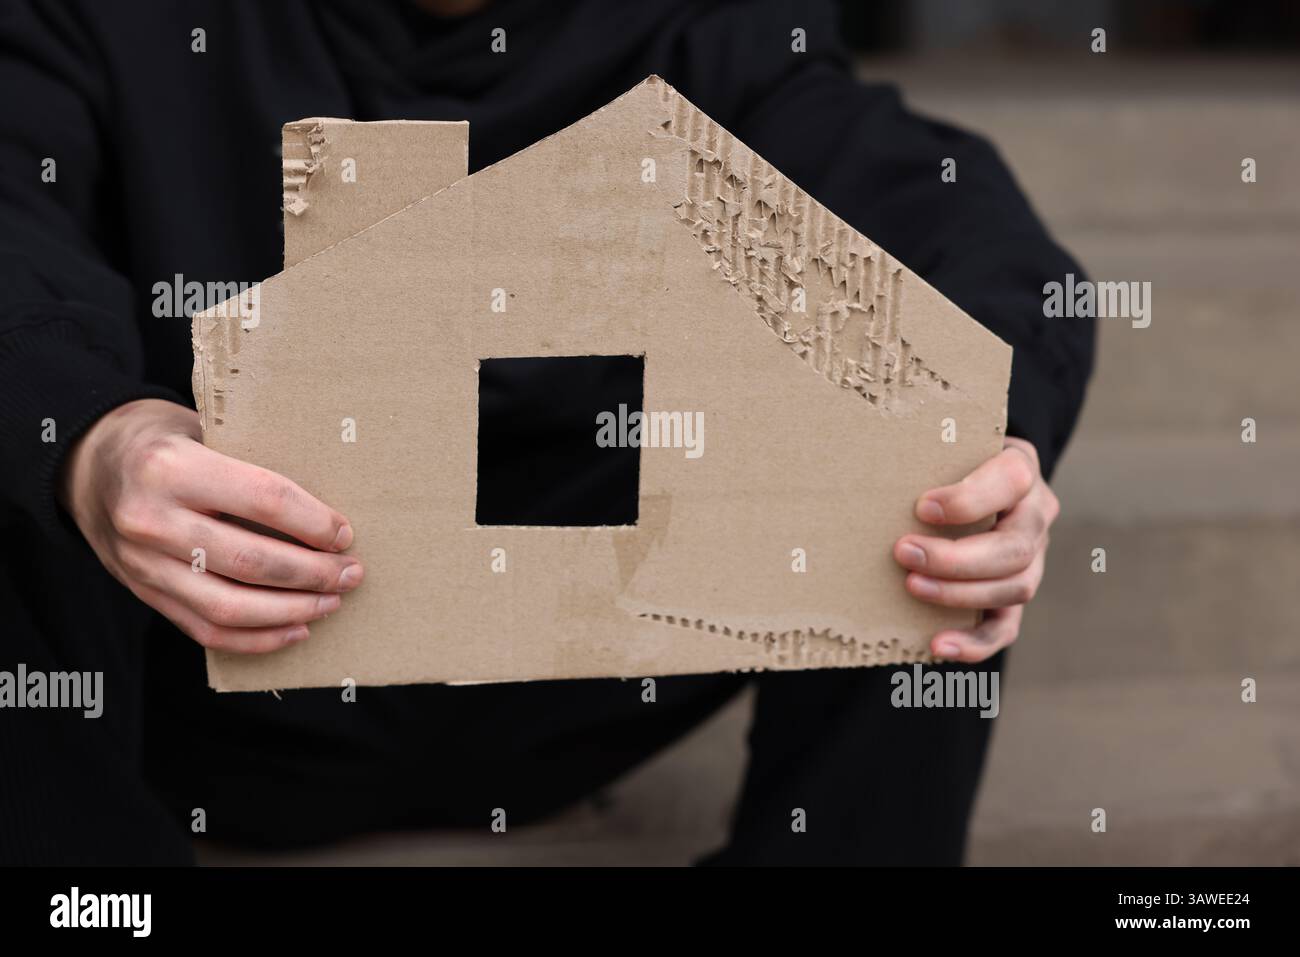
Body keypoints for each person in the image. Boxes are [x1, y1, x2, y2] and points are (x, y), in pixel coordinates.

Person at [0, 0, 1094, 865]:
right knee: (26, 429)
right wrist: (96, 444)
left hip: (559, 682)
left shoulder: (706, 34)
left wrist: (993, 449)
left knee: (947, 435)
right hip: (194, 669)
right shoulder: (111, 21)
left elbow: (974, 242)